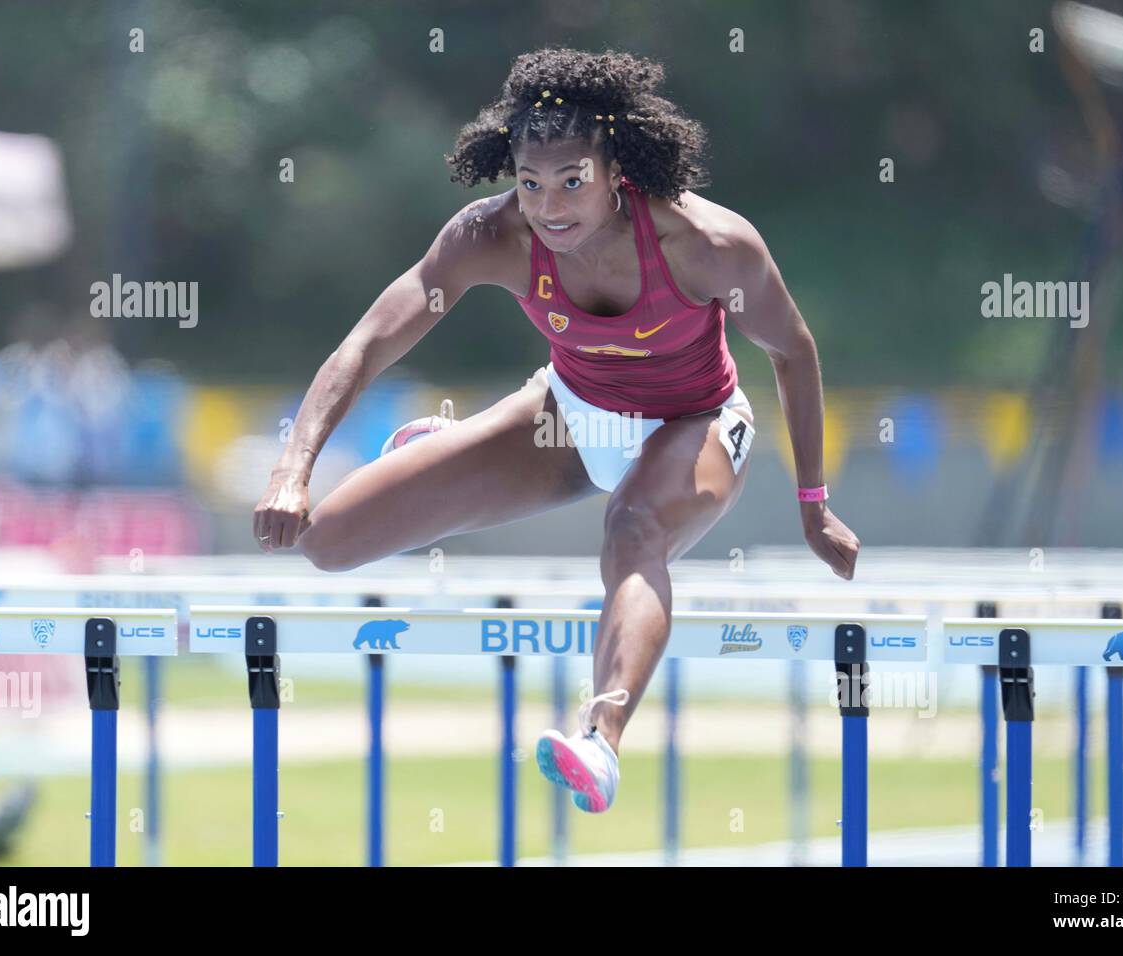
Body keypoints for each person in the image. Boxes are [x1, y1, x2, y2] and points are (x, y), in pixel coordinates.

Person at [253, 47, 860, 814]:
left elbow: (792, 350)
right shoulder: (490, 235)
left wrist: (814, 503)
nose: (551, 206)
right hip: (569, 417)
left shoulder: (705, 243)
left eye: (573, 181)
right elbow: (369, 341)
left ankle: (600, 741)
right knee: (326, 542)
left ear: (617, 172)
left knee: (633, 527)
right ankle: (440, 450)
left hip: (695, 421)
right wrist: (292, 468)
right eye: (532, 183)